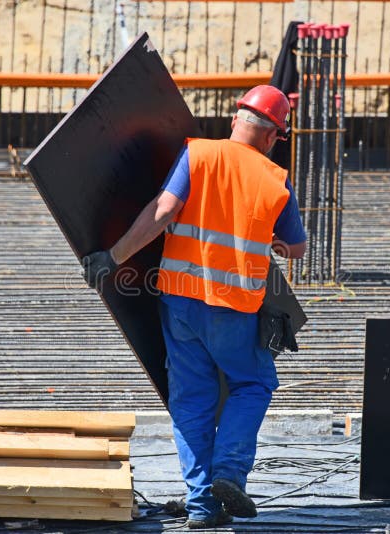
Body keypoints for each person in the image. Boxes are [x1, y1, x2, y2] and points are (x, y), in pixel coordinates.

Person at [82, 85, 306, 529]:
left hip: (179, 302)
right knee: (252, 385)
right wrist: (275, 242)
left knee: (191, 403)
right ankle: (229, 473)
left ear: (234, 122)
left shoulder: (197, 155)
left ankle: (203, 507)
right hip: (233, 306)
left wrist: (113, 257)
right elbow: (297, 248)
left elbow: (162, 211)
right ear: (273, 136)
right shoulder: (274, 180)